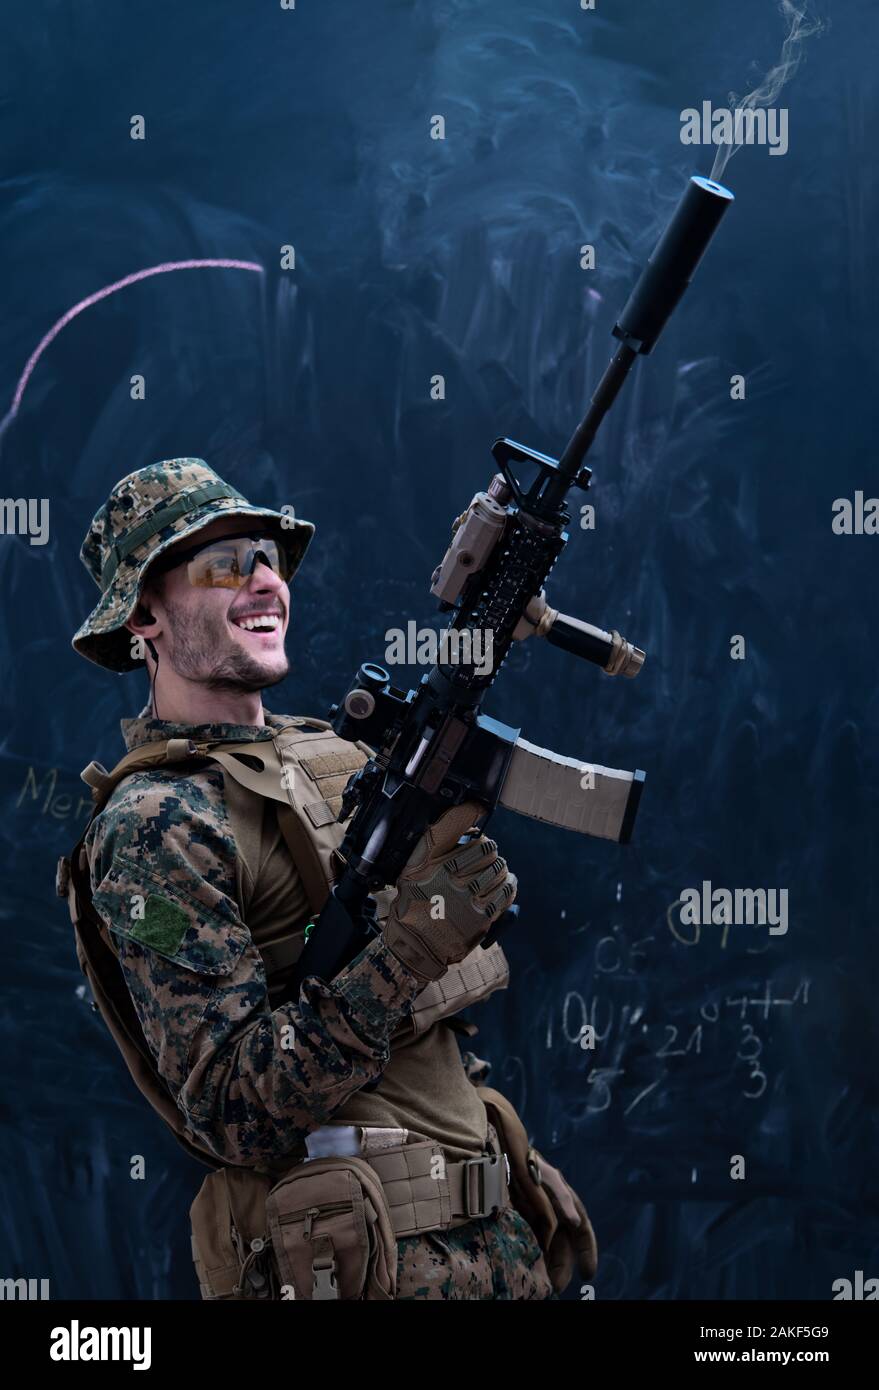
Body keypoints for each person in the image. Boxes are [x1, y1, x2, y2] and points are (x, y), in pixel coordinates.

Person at [62, 456, 597, 1300]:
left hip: (489, 1249)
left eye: (269, 559)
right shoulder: (154, 825)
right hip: (366, 1272)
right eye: (222, 564)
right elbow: (232, 1111)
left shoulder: (332, 755)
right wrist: (410, 947)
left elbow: (413, 1025)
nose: (264, 582)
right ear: (143, 615)